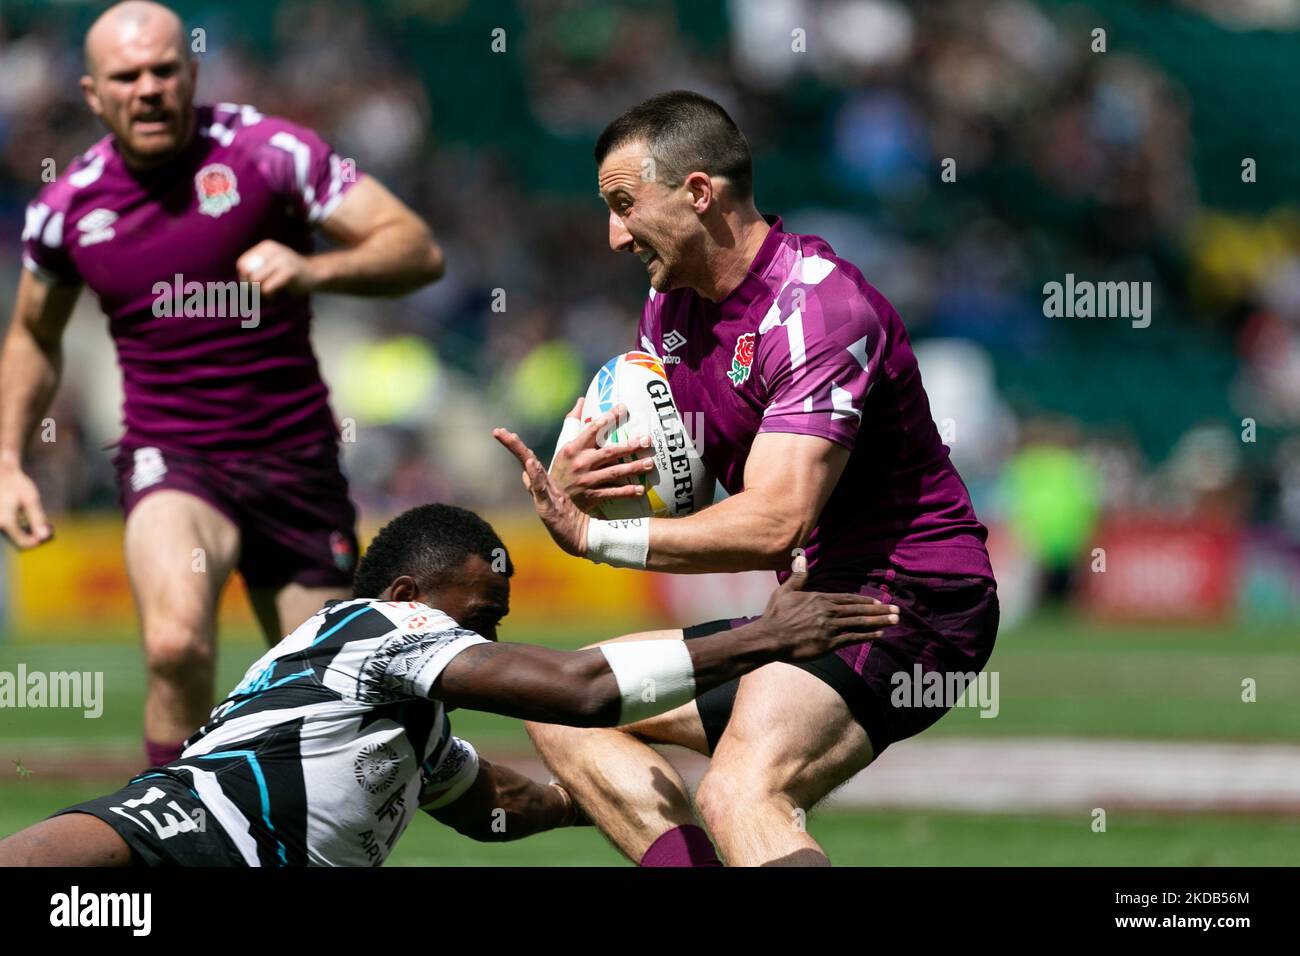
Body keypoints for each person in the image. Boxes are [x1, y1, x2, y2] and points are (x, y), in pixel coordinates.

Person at [495, 90, 1000, 867]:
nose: (613, 234)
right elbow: (680, 484)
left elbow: (774, 521)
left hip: (903, 600)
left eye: (625, 205)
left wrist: (597, 537)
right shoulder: (668, 311)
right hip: (813, 598)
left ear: (699, 192)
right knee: (564, 703)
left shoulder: (820, 310)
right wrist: (584, 482)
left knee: (740, 790)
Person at [0, 2, 445, 768]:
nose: (147, 89)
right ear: (91, 94)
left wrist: (313, 268)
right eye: (125, 76)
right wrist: (8, 458)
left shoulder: (271, 153)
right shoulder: (65, 209)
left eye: (163, 70)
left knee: (344, 698)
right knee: (175, 643)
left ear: (193, 72)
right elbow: (33, 336)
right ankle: (169, 838)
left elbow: (415, 248)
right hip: (173, 457)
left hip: (296, 462)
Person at [0, 503, 896, 866]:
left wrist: (597, 794)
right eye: (479, 616)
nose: (490, 637)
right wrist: (764, 637)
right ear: (407, 597)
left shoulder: (414, 728)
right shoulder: (374, 628)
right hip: (206, 838)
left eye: (499, 619)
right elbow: (580, 687)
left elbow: (496, 808)